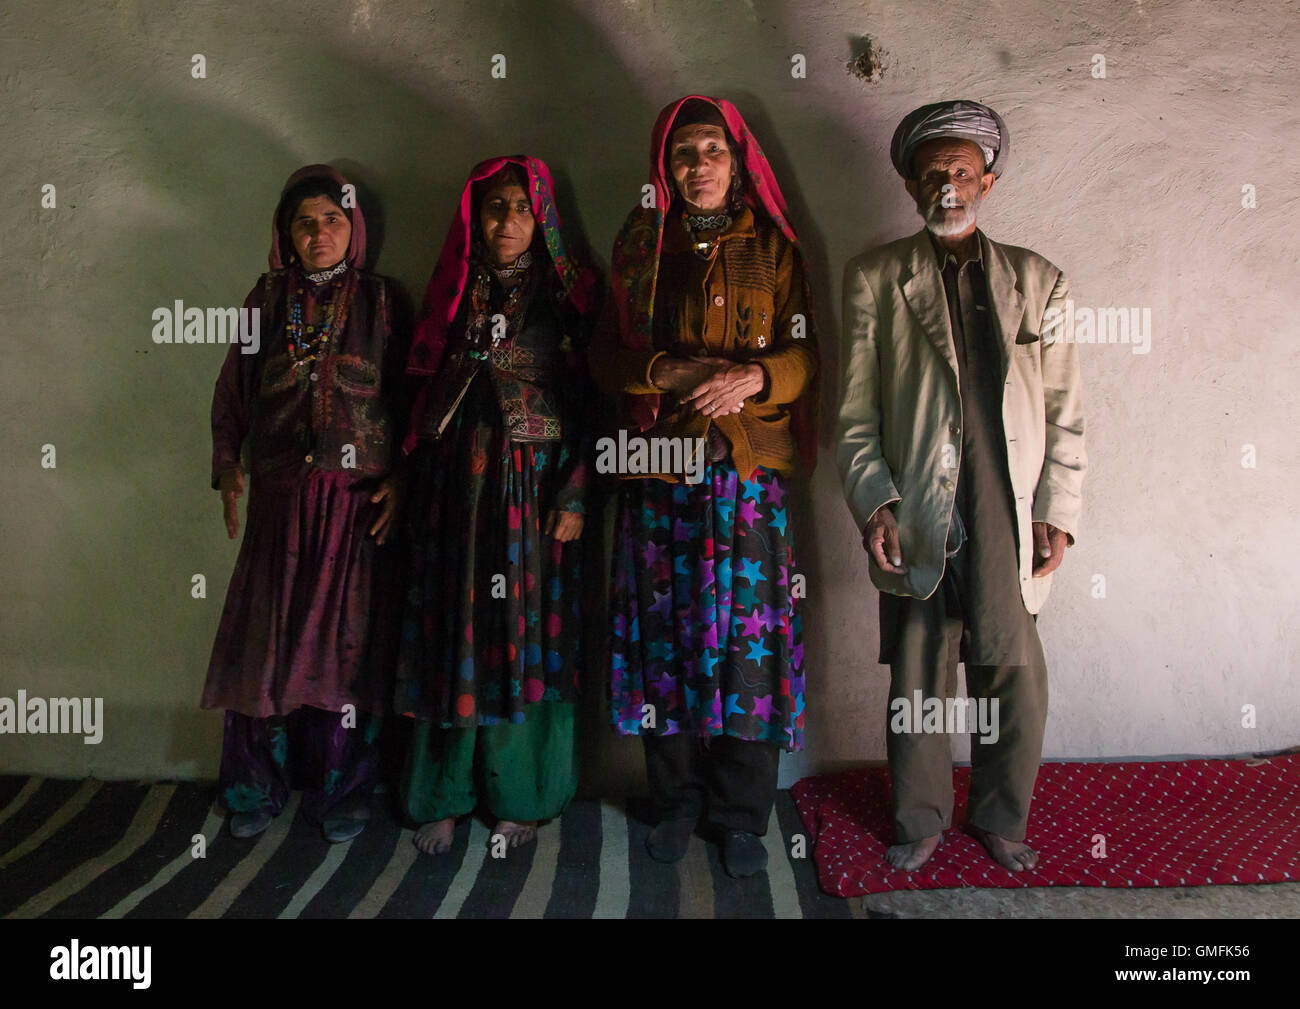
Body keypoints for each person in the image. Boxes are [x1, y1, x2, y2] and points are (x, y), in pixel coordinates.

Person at [837, 100, 1087, 872]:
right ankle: (919, 818)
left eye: (962, 171)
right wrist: (873, 498)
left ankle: (1001, 816)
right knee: (918, 669)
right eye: (933, 172)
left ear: (989, 181)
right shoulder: (877, 277)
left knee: (1014, 672)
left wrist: (1059, 513)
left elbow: (1065, 411)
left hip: (1006, 507)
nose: (948, 183)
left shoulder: (1037, 279)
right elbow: (854, 409)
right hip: (918, 502)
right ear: (912, 184)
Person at [592, 96, 819, 878]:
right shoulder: (638, 245)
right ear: (666, 165)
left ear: (737, 159)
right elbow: (601, 355)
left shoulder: (774, 248)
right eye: (683, 152)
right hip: (659, 470)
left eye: (712, 150)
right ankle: (676, 798)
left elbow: (805, 354)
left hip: (747, 477)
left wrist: (756, 374)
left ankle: (741, 814)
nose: (698, 166)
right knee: (669, 639)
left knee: (748, 643)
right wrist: (669, 371)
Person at [396, 157, 599, 855]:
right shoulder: (452, 295)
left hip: (533, 495)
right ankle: (441, 794)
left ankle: (523, 793)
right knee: (452, 631)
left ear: (540, 217)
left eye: (520, 207)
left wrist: (575, 490)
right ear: (473, 219)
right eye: (493, 208)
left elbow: (590, 403)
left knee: (526, 634)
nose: (507, 221)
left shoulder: (567, 299)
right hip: (454, 492)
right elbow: (417, 389)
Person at [204, 164, 408, 843]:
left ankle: (343, 789)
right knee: (261, 647)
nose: (318, 232)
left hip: (354, 508)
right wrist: (227, 464)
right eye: (303, 222)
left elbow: (415, 401)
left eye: (331, 219)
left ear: (353, 229)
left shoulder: (382, 304)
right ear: (285, 235)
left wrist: (402, 478)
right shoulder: (265, 302)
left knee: (344, 647)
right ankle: (252, 785)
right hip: (279, 502)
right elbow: (234, 391)